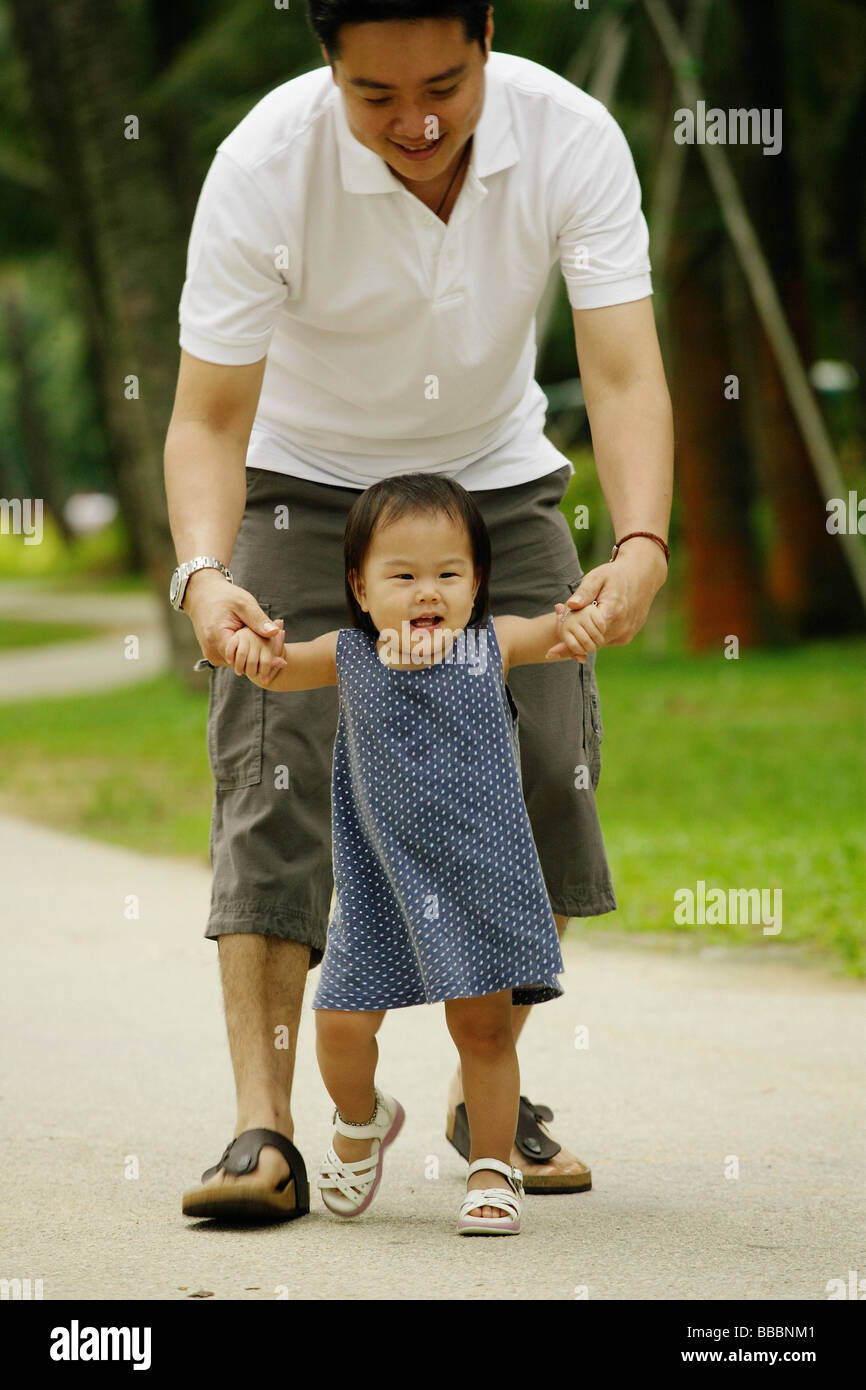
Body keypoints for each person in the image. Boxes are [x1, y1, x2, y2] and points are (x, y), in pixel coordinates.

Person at [167, 0, 673, 1223]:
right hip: (302, 484)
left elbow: (617, 368)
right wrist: (203, 572)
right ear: (324, 64)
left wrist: (644, 542)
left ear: (489, 33)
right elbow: (210, 417)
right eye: (375, 97)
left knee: (551, 764)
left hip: (492, 481)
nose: (420, 120)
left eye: (445, 82)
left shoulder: (568, 135)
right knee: (273, 772)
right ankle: (265, 1131)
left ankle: (481, 1085)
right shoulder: (263, 165)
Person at [224, 472, 607, 1235]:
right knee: (339, 1027)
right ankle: (362, 1121)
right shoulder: (347, 655)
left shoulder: (491, 646)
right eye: (402, 576)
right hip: (380, 885)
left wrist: (595, 616)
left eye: (448, 574)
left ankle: (491, 1169)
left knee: (485, 1034)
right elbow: (277, 665)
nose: (426, 592)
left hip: (478, 883)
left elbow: (563, 630)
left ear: (477, 586)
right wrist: (246, 647)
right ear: (359, 590)